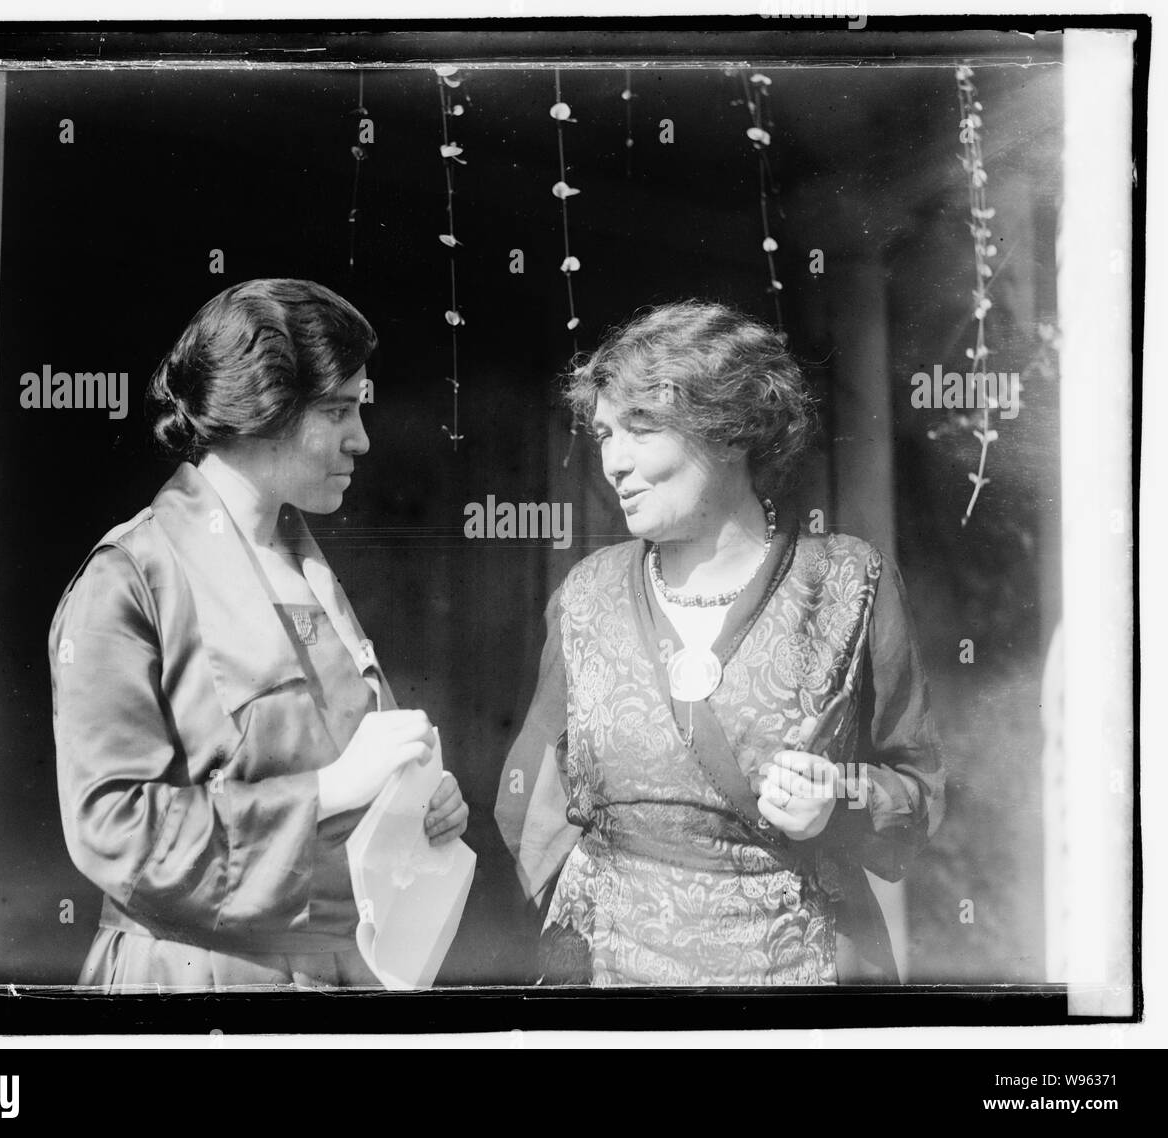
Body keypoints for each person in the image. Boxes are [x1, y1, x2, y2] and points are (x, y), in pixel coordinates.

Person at [496, 300, 944, 986]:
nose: (613, 461)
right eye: (605, 433)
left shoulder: (849, 582)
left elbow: (920, 791)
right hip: (611, 985)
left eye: (640, 428)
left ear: (732, 433)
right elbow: (526, 801)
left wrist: (838, 802)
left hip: (794, 980)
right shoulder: (588, 593)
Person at [49, 278, 468, 991]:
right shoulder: (130, 578)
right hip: (197, 977)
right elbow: (112, 827)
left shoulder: (303, 565)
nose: (361, 439)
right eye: (338, 410)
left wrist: (412, 803)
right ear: (262, 411)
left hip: (336, 967)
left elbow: (346, 757)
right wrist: (330, 790)